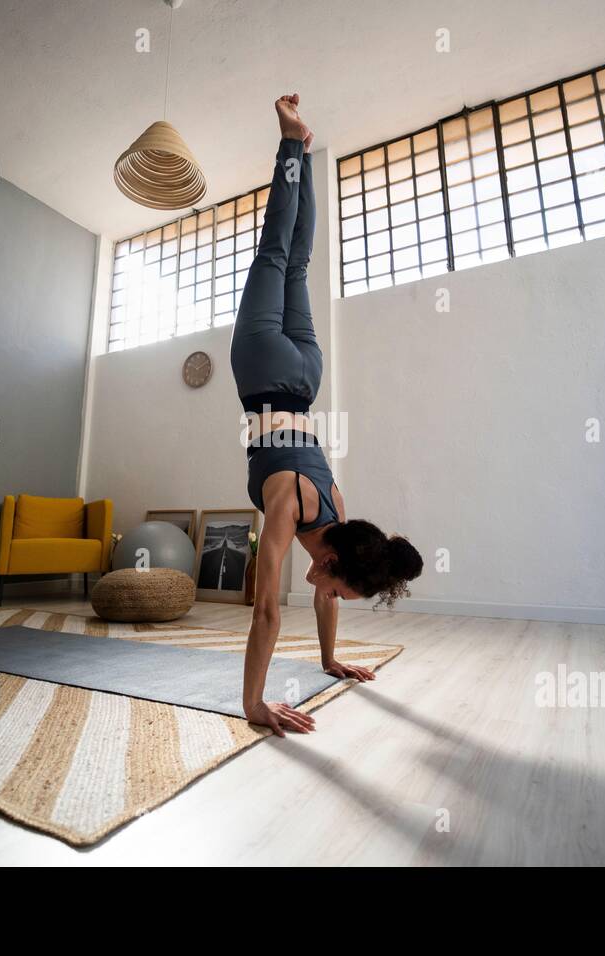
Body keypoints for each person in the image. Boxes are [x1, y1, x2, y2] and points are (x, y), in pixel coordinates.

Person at [232, 94, 423, 737]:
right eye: (339, 590)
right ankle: (292, 144)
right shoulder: (294, 504)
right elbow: (264, 611)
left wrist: (330, 660)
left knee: (297, 262)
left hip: (308, 375)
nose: (330, 596)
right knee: (275, 255)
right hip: (262, 369)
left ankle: (304, 153)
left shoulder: (336, 509)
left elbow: (316, 596)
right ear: (334, 561)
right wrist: (255, 705)